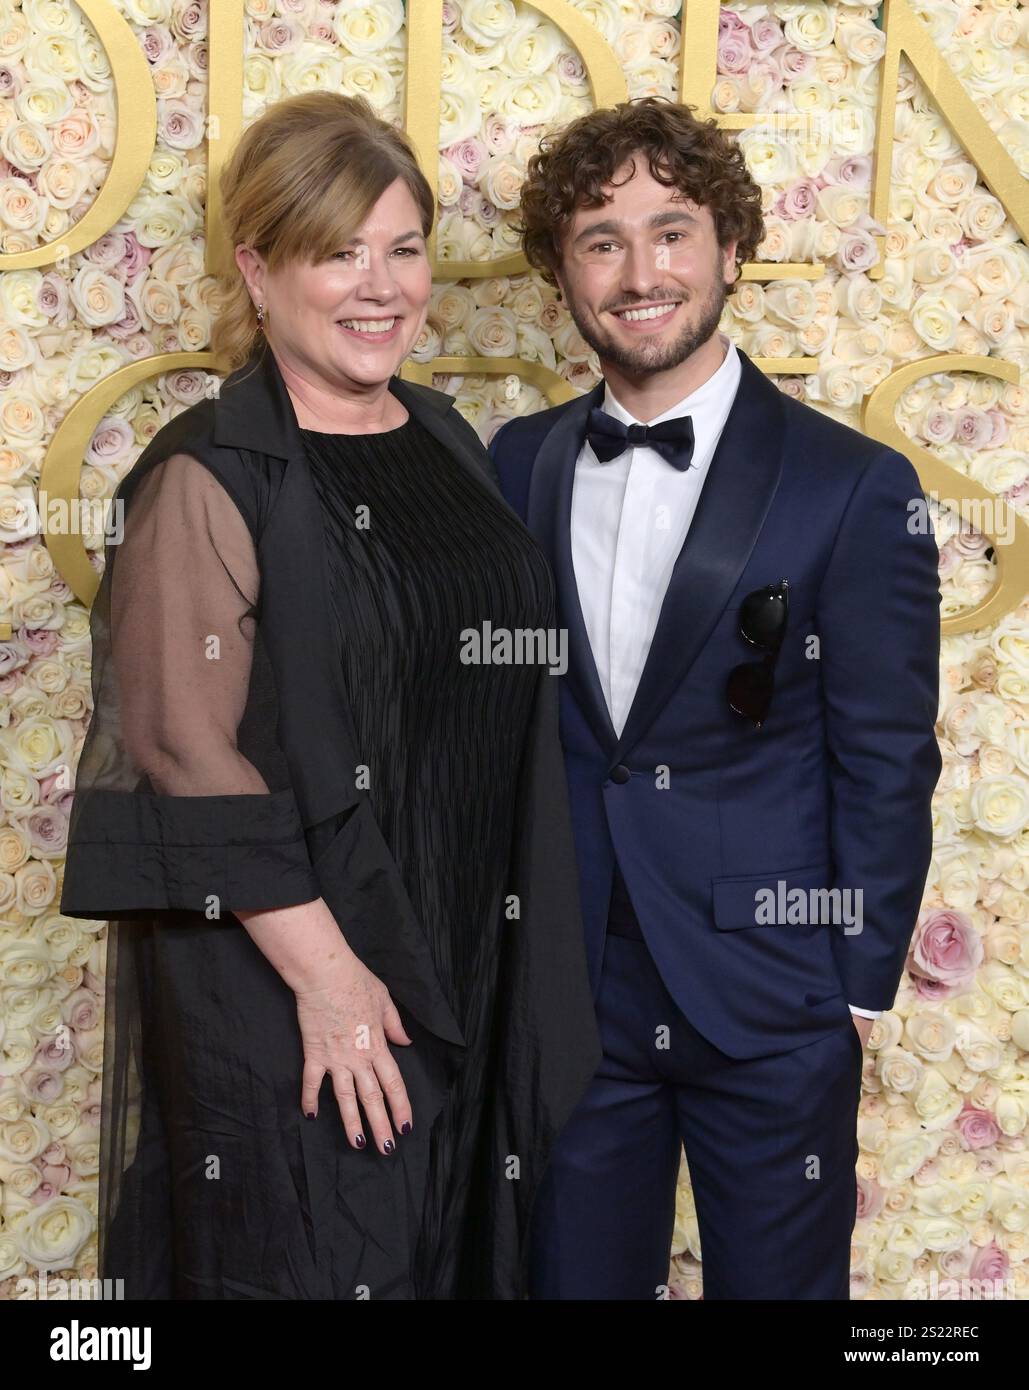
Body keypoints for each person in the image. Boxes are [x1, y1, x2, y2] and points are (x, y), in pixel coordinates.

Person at [59, 91, 600, 1301]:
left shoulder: (450, 439)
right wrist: (334, 982)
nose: (380, 285)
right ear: (258, 270)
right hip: (299, 981)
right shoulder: (208, 473)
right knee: (314, 1259)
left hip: (458, 954)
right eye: (336, 251)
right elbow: (180, 750)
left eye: (402, 249)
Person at [489, 96, 942, 1300]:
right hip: (573, 994)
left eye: (673, 231)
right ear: (563, 271)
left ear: (731, 247)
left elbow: (889, 752)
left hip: (773, 990)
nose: (641, 273)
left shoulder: (853, 486)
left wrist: (849, 984)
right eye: (601, 239)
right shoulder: (515, 464)